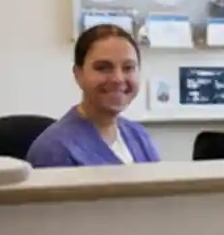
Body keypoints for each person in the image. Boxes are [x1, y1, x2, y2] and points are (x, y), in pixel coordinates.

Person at [26, 25, 161, 168]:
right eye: (102, 68)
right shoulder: (54, 150)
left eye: (128, 68)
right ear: (78, 74)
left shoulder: (139, 136)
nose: (118, 78)